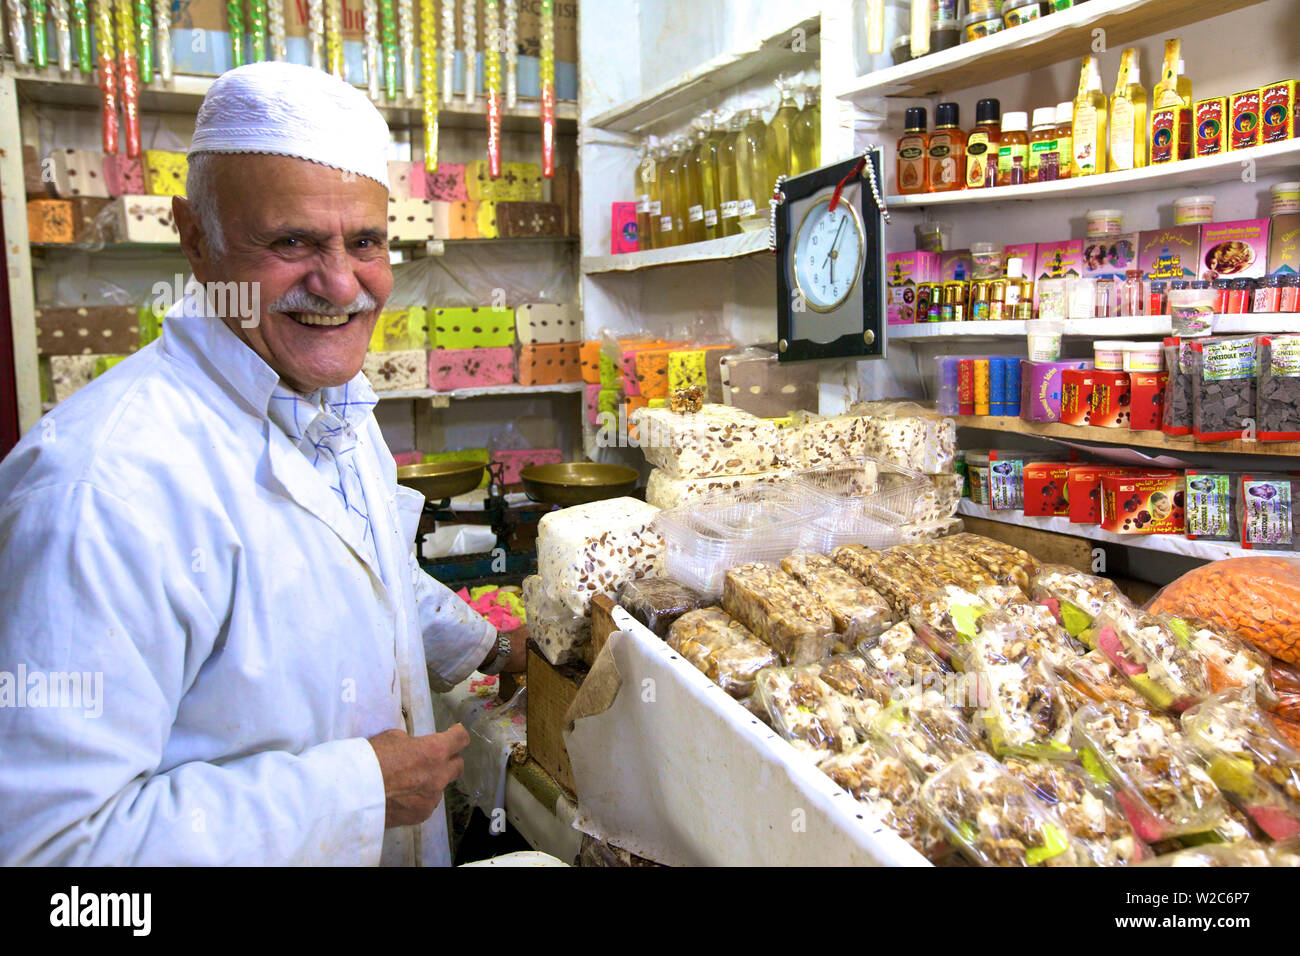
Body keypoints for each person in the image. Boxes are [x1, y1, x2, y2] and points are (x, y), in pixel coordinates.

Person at [0, 61, 524, 866]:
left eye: (367, 242)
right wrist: (351, 793)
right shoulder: (100, 490)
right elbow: (50, 858)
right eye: (291, 242)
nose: (341, 284)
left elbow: (360, 570)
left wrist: (484, 647)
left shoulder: (328, 397)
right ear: (193, 239)